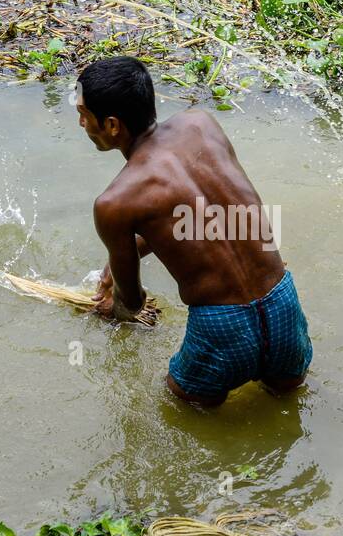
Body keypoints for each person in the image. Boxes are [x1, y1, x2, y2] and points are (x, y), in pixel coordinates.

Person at [77, 56, 312, 406]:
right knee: (288, 402)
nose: (81, 122)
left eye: (83, 113)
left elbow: (133, 303)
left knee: (182, 411)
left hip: (221, 329)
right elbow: (205, 216)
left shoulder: (114, 203)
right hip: (282, 303)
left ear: (112, 125)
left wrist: (110, 309)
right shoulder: (201, 124)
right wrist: (125, 255)